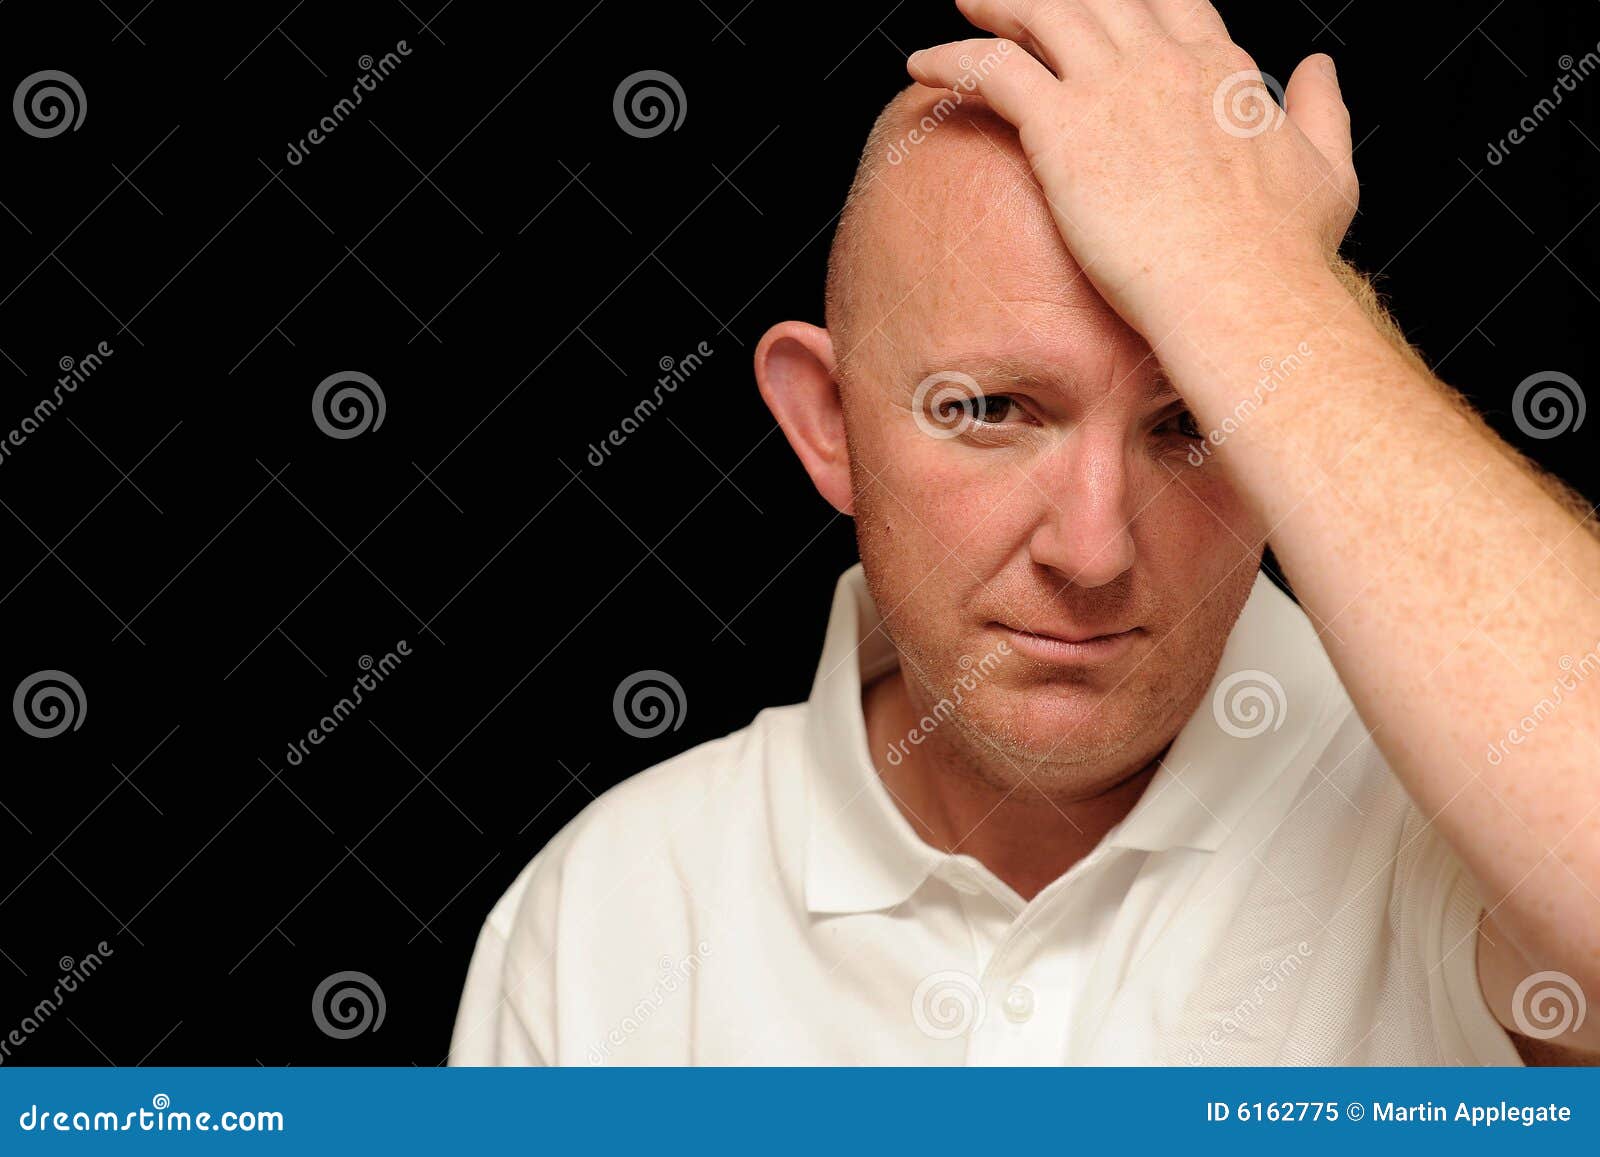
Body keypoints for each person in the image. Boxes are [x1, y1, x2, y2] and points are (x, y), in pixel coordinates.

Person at [450, 0, 1600, 1065]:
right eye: (992, 410)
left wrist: (1251, 281)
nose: (1092, 551)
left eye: (1193, 422)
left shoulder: (1445, 832)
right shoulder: (610, 913)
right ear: (826, 423)